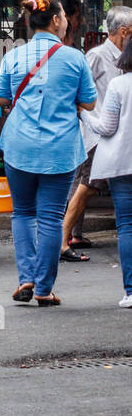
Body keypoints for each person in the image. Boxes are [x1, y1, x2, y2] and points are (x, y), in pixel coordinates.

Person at [0, 0, 96, 307]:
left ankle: (26, 277)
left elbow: (0, 98)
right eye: (64, 16)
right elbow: (89, 102)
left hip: (18, 145)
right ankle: (42, 288)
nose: (66, 21)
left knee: (23, 213)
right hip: (60, 148)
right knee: (51, 218)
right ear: (55, 21)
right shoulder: (75, 58)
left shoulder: (13, 57)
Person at [60, 5, 132, 261]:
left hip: (116, 137)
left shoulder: (124, 56)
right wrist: (83, 114)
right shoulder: (98, 56)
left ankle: (68, 235)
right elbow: (78, 88)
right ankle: (62, 237)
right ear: (124, 31)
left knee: (86, 186)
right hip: (99, 135)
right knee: (86, 186)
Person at [82, 36, 132, 307]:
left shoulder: (118, 85)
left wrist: (84, 115)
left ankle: (131, 290)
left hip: (123, 166)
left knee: (127, 226)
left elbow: (107, 128)